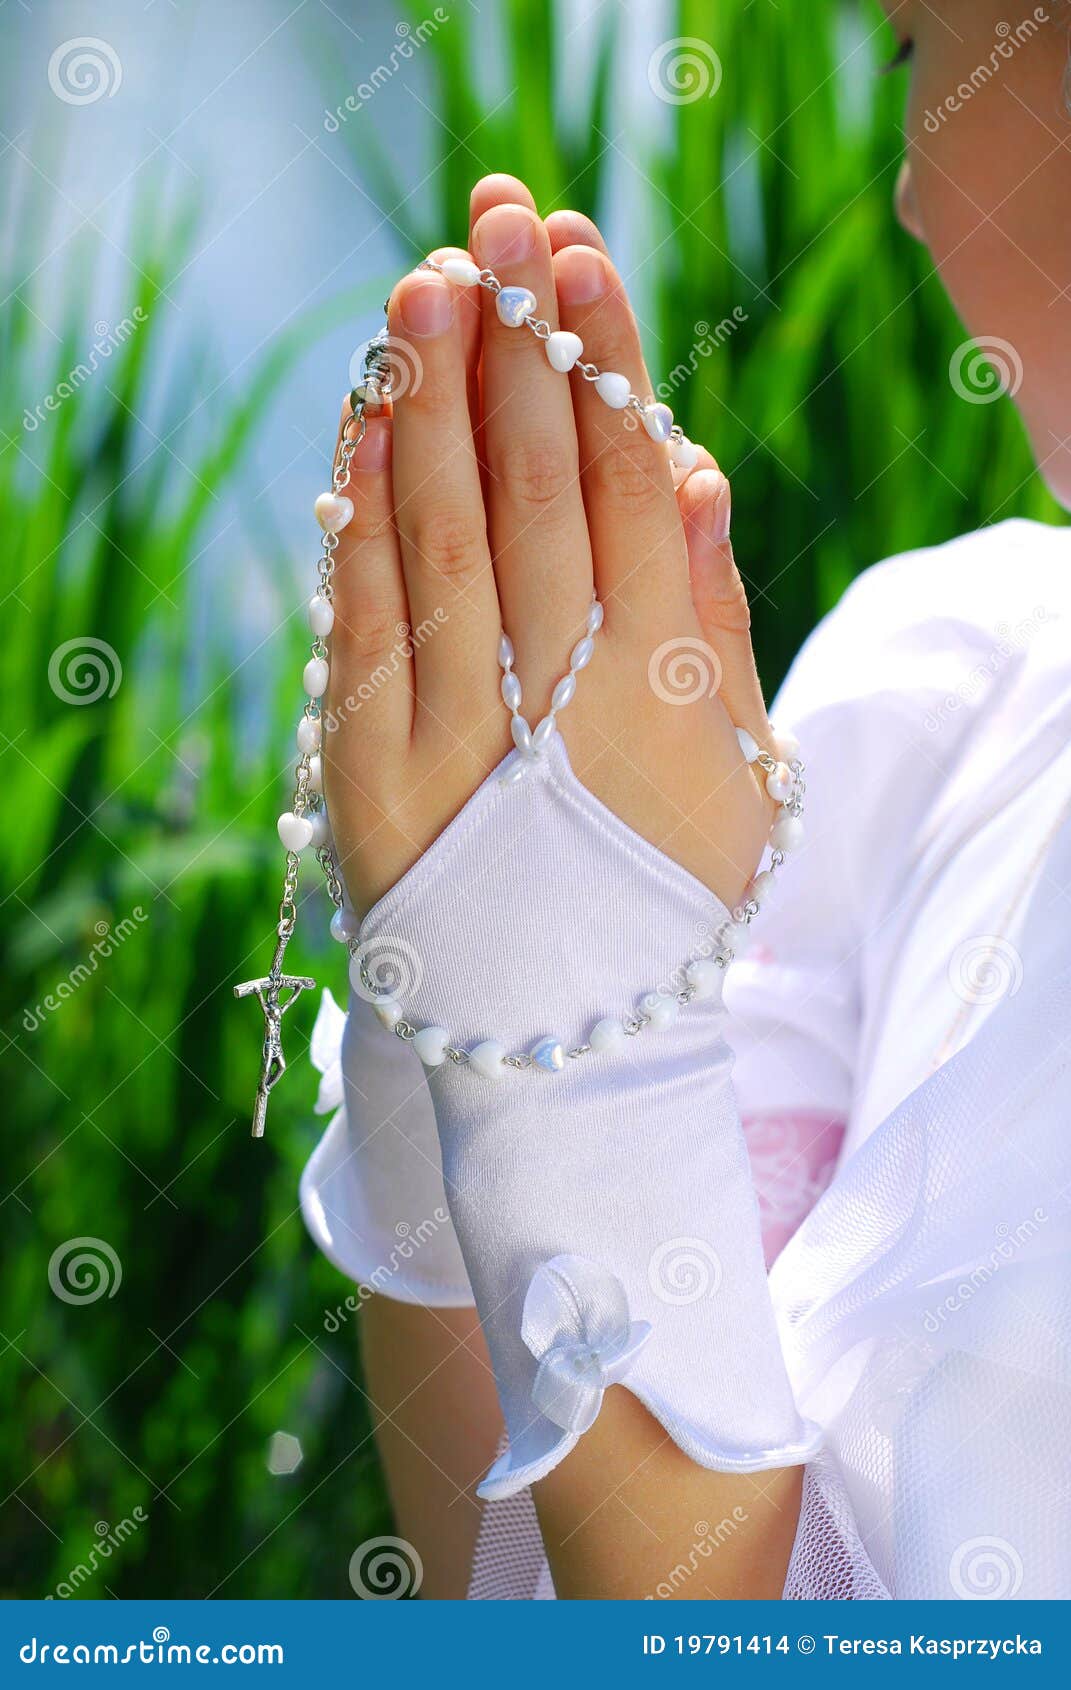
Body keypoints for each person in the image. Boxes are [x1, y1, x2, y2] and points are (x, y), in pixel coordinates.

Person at [300, 0, 1071, 1599]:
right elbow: (506, 1584)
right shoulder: (936, 697)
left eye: (916, 47)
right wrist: (464, 1015)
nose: (915, 192)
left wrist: (571, 1082)